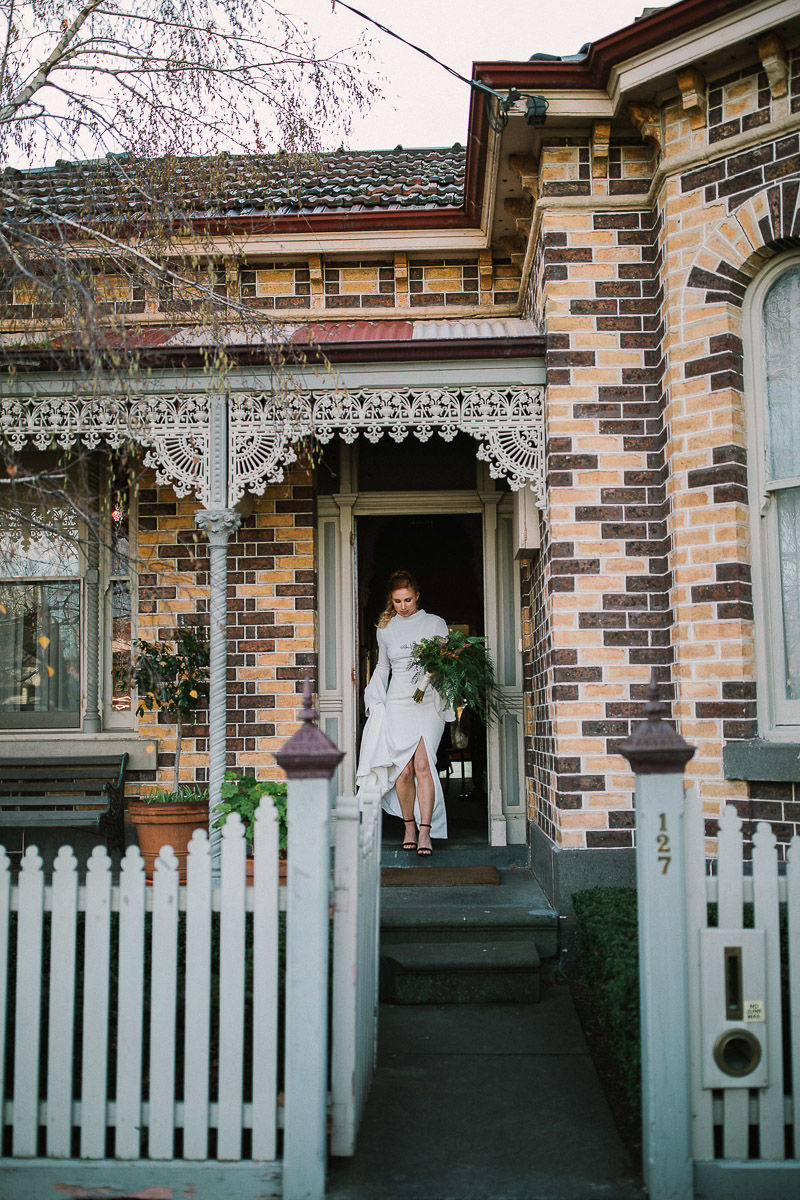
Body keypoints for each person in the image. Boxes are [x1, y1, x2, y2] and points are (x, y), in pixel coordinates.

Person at [356, 569, 454, 857]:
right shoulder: (384, 628)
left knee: (423, 765)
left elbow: (445, 661)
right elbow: (383, 667)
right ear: (391, 600)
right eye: (398, 601)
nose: (403, 606)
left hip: (428, 701)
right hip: (398, 701)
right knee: (403, 770)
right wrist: (375, 699)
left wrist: (437, 671)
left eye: (408, 600)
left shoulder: (435, 623)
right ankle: (408, 826)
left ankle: (426, 831)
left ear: (417, 596)